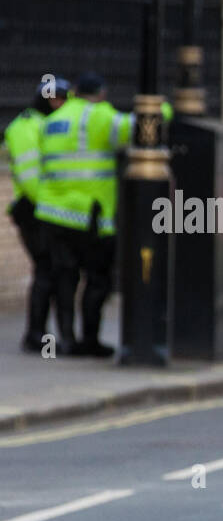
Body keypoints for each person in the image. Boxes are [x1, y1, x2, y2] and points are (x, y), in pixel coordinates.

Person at [35, 72, 133, 357]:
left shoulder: (52, 121)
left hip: (53, 214)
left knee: (64, 279)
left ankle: (66, 338)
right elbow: (136, 128)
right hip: (89, 216)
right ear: (101, 94)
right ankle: (90, 340)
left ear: (75, 91)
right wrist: (164, 108)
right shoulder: (99, 115)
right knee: (97, 280)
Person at [4, 77, 69, 353]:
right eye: (56, 99)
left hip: (47, 207)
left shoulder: (45, 124)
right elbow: (30, 177)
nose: (61, 104)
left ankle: (42, 333)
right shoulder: (26, 126)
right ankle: (36, 334)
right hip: (34, 209)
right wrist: (50, 206)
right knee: (46, 270)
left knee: (52, 271)